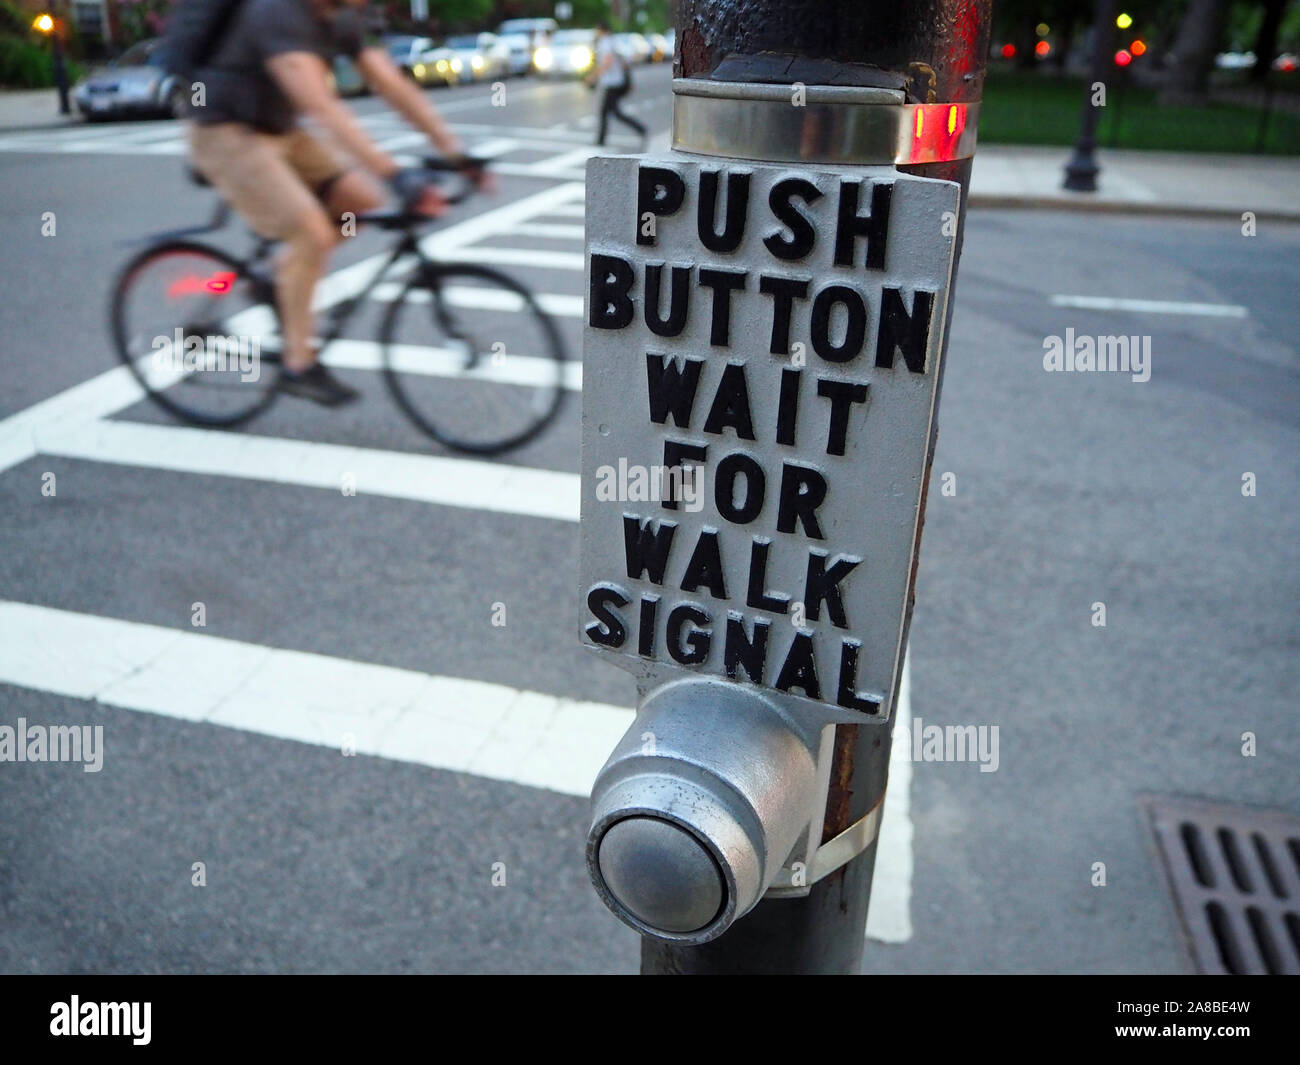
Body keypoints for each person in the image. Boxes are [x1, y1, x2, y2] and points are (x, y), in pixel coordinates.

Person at [187, 0, 485, 405]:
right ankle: (299, 365)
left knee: (361, 202)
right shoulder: (276, 11)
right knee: (312, 232)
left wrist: (454, 151)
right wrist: (395, 173)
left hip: (282, 132)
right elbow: (322, 107)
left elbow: (391, 83)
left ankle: (278, 277)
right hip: (226, 133)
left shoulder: (337, 16)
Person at [586, 22, 645, 149]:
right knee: (614, 113)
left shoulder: (605, 42)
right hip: (617, 82)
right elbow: (624, 63)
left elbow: (607, 62)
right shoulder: (613, 42)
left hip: (612, 83)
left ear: (601, 30)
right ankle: (640, 129)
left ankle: (601, 141)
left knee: (605, 112)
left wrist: (593, 76)